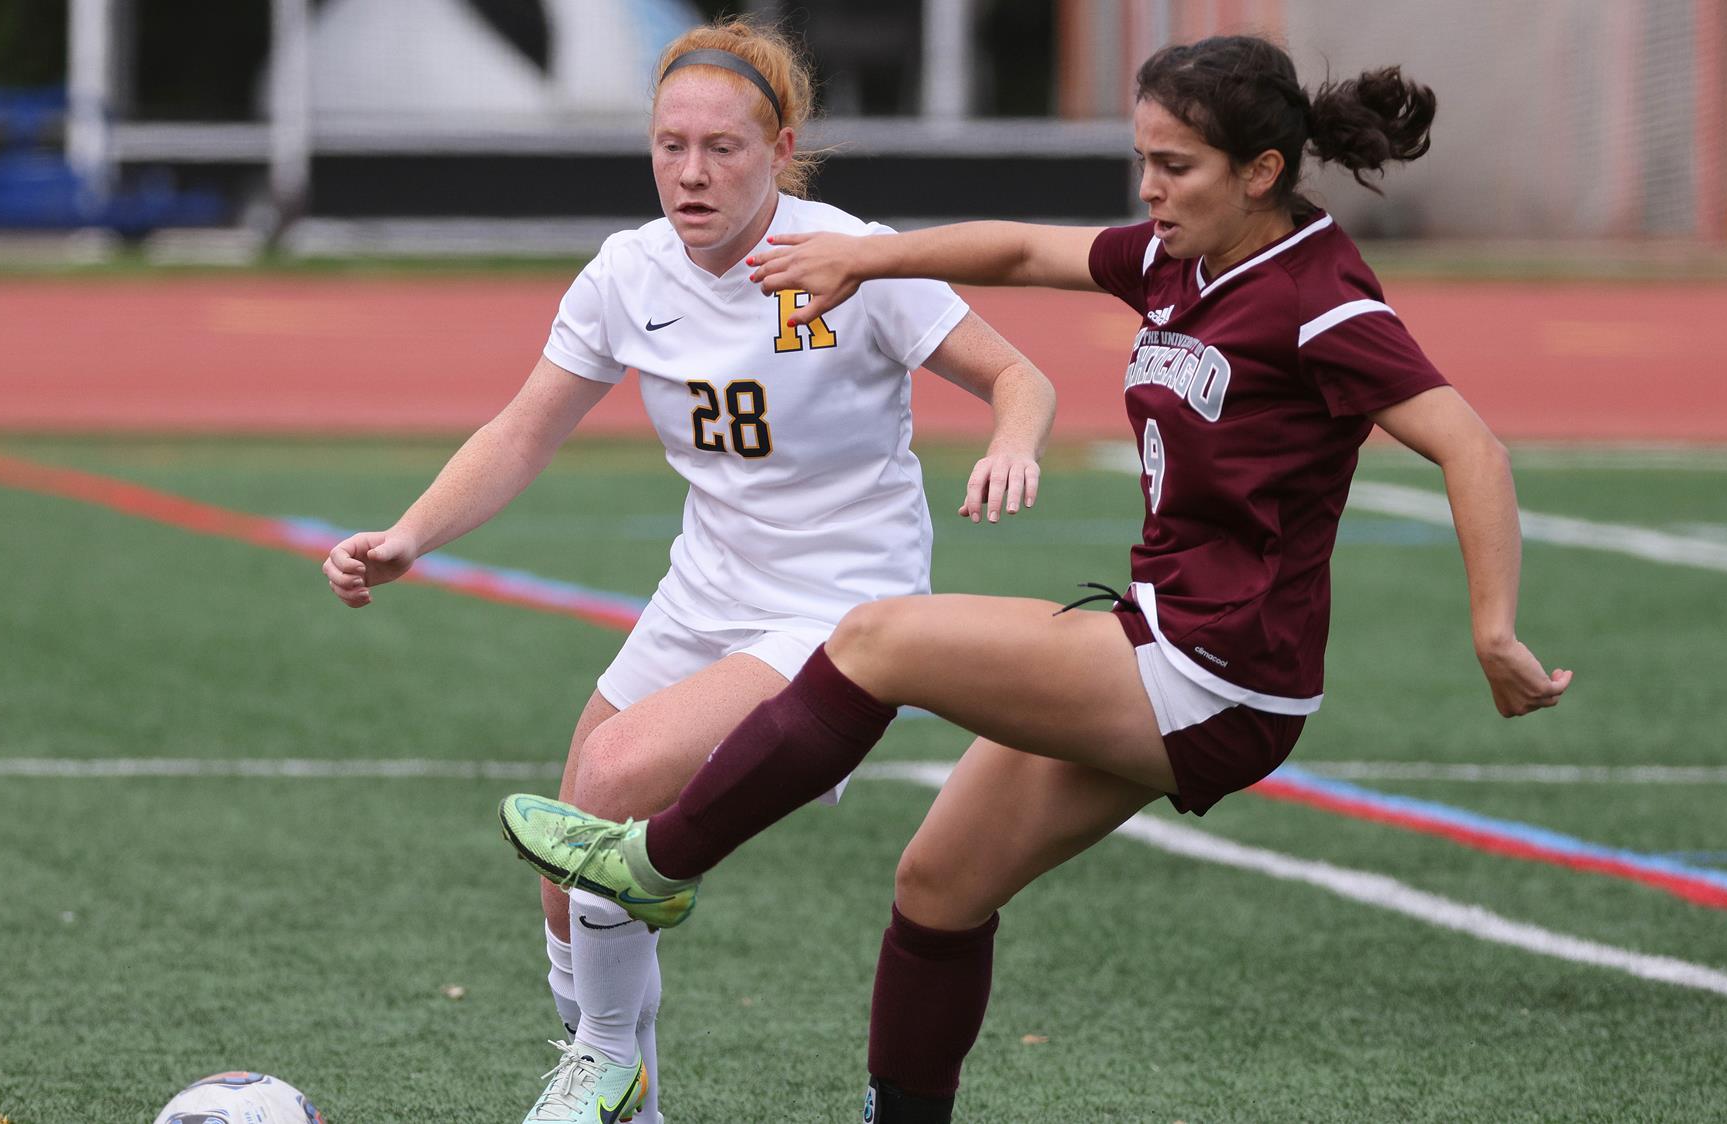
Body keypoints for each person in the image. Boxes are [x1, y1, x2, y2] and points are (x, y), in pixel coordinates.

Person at [499, 34, 1574, 1123]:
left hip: (1217, 670)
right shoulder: (1180, 256)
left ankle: (654, 862)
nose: (1149, 189)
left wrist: (1493, 630)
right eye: (1143, 160)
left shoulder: (1319, 298)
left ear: (1259, 173)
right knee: (938, 885)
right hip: (1161, 641)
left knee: (875, 637)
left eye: (1176, 166)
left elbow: (1471, 447)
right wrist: (864, 261)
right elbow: (1016, 251)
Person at [322, 18, 1054, 1124]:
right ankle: (626, 1096)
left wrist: (1013, 441)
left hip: (841, 611)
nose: (692, 173)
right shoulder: (628, 271)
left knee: (613, 777)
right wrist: (410, 534)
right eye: (671, 146)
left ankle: (601, 1064)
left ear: (780, 149)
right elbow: (523, 429)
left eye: (723, 147)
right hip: (704, 592)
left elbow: (1019, 377)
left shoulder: (850, 257)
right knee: (569, 859)